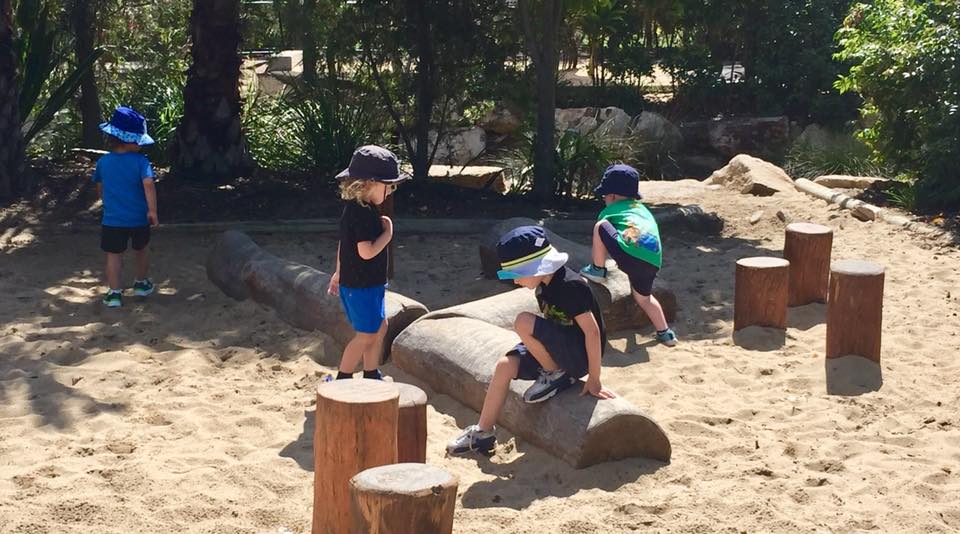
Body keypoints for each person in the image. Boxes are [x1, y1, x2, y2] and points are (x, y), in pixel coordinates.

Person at [447, 225, 614, 455]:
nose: (514, 282)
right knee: (505, 366)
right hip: (557, 349)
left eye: (515, 274)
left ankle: (555, 373)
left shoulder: (570, 286)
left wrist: (594, 378)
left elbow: (592, 333)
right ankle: (483, 432)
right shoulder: (543, 287)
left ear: (536, 267)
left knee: (523, 322)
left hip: (578, 356)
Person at [326, 145, 408, 380]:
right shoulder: (361, 214)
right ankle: (343, 376)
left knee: (378, 328)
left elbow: (345, 244)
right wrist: (388, 235)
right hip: (361, 286)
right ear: (370, 184)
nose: (391, 191)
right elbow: (366, 252)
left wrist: (338, 271)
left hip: (366, 283)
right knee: (366, 334)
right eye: (388, 186)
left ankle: (371, 372)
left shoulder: (359, 209)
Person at [579, 164, 678, 346]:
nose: (605, 200)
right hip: (652, 260)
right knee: (644, 298)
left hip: (629, 254)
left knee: (600, 227)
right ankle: (665, 333)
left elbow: (605, 231)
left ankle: (597, 269)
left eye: (605, 197)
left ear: (613, 196)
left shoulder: (610, 210)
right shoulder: (642, 211)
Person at [92, 106, 158, 308]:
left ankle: (114, 293)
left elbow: (100, 187)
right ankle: (141, 283)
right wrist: (152, 210)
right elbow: (148, 185)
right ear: (130, 140)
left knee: (113, 256)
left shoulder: (103, 162)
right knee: (141, 250)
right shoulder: (141, 162)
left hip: (112, 219)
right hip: (138, 218)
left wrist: (106, 204)